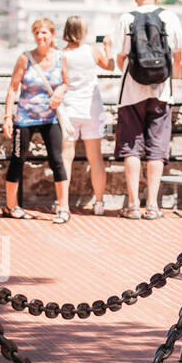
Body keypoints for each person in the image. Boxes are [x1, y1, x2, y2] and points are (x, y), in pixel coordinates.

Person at [113, 0, 182, 220]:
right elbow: (179, 58)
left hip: (131, 93)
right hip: (161, 93)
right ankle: (152, 205)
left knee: (131, 149)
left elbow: (119, 59)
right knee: (157, 150)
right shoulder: (170, 18)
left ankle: (133, 204)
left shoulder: (126, 18)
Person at [2, 18, 69, 221]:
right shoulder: (25, 58)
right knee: (17, 159)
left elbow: (66, 83)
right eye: (37, 33)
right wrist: (7, 116)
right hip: (25, 117)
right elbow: (13, 87)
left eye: (44, 33)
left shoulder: (60, 57)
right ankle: (11, 205)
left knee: (57, 160)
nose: (40, 37)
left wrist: (59, 92)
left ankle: (63, 207)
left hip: (50, 117)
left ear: (52, 35)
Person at [60, 16, 112, 216]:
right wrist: (107, 47)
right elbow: (109, 66)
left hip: (70, 107)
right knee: (96, 158)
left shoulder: (61, 54)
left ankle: (63, 204)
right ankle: (99, 202)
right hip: (92, 108)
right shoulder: (92, 51)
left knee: (66, 157)